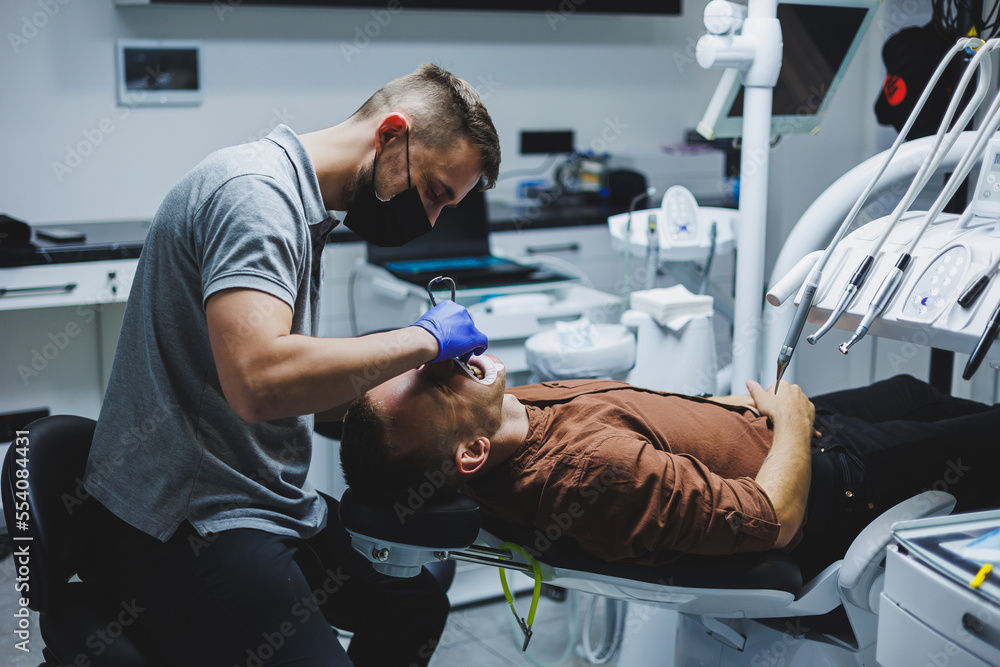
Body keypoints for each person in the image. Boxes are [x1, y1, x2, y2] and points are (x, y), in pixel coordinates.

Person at [80, 64, 500, 667]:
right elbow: (260, 384)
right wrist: (420, 341)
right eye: (434, 192)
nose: (430, 219)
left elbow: (292, 388)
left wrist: (405, 387)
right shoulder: (255, 194)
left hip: (257, 500)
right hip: (183, 518)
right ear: (391, 137)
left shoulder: (301, 210)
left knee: (416, 604)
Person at [339, 354, 1000, 580]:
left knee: (914, 389)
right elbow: (774, 522)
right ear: (471, 452)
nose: (438, 357)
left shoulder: (515, 409)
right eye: (431, 382)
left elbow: (643, 408)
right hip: (826, 477)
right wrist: (793, 420)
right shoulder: (586, 471)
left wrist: (736, 407)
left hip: (780, 432)